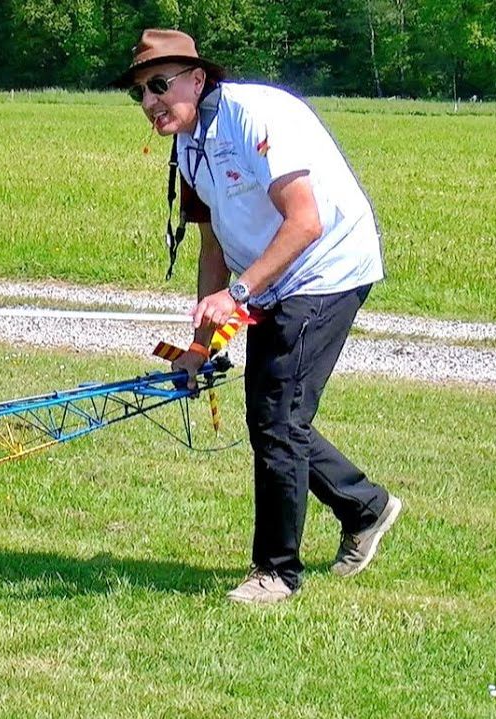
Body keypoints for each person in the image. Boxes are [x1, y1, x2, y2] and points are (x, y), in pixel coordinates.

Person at [113, 29, 403, 603]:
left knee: (278, 418)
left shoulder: (254, 116)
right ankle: (364, 506)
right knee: (275, 415)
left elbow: (305, 221)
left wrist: (240, 294)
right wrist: (200, 344)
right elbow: (213, 248)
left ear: (198, 79)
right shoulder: (190, 143)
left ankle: (277, 573)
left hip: (327, 267)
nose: (150, 101)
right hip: (273, 278)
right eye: (140, 92)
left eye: (160, 85)